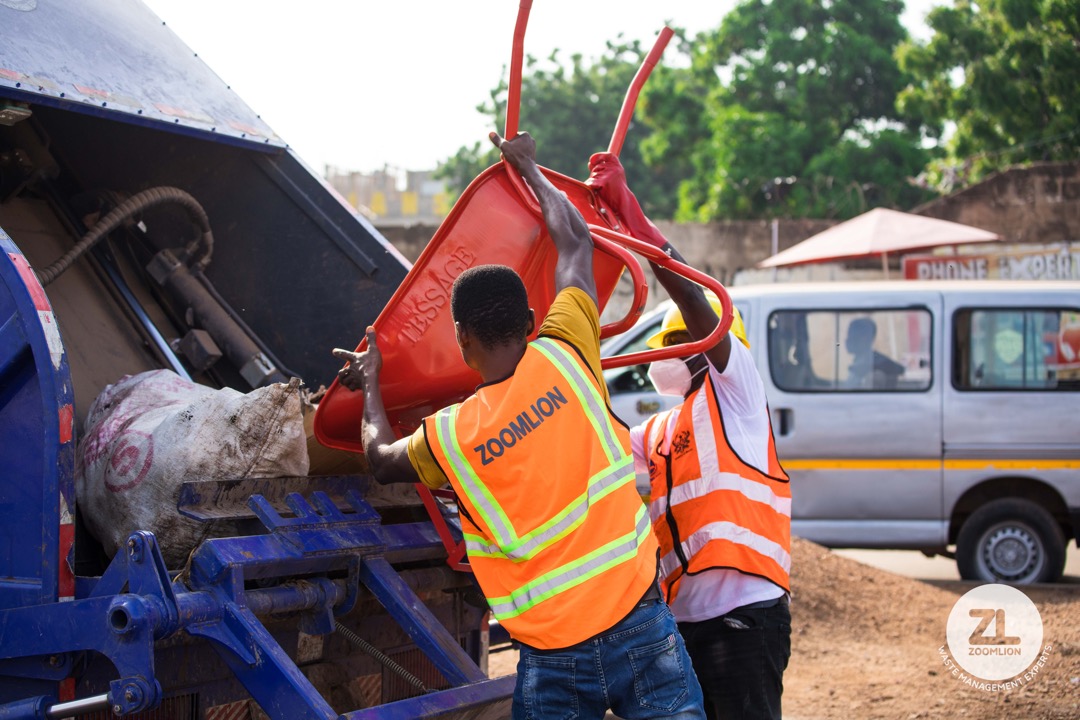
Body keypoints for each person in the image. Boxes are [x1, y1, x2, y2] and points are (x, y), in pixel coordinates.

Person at [333, 132, 705, 720]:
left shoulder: (449, 435)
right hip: (639, 618)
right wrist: (528, 168)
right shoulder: (566, 349)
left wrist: (373, 381)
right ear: (532, 319)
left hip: (556, 655)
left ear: (461, 340)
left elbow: (379, 458)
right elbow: (575, 244)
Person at [588, 151, 792, 720]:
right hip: (677, 624)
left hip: (744, 618)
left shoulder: (739, 397)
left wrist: (632, 217)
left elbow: (692, 297)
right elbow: (598, 448)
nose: (663, 346)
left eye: (675, 334)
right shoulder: (654, 430)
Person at [844, 317, 904, 389]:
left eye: (851, 335)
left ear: (864, 339)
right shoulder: (859, 364)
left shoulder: (876, 369)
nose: (847, 340)